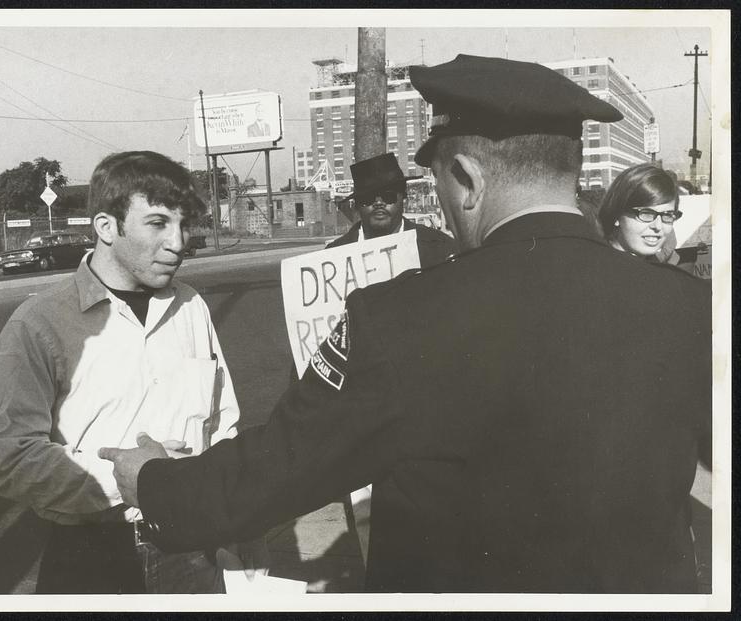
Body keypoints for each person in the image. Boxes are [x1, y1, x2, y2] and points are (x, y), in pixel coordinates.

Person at [100, 56, 711, 593]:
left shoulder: (398, 319)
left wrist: (152, 482)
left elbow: (275, 470)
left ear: (467, 179)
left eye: (439, 182)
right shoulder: (691, 307)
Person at [0, 151, 264, 594]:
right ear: (106, 227)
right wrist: (128, 477)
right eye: (157, 223)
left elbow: (222, 424)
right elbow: (6, 457)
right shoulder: (39, 323)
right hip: (91, 557)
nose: (178, 241)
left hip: (195, 550)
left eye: (184, 224)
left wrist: (234, 520)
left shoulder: (191, 307)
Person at [329, 152, 458, 267]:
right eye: (368, 198)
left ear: (403, 197)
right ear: (357, 204)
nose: (379, 203)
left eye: (388, 196)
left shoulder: (440, 248)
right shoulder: (333, 256)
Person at [598, 162, 682, 263]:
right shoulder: (593, 270)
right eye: (646, 213)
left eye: (667, 215)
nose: (658, 226)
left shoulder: (659, 272)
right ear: (617, 214)